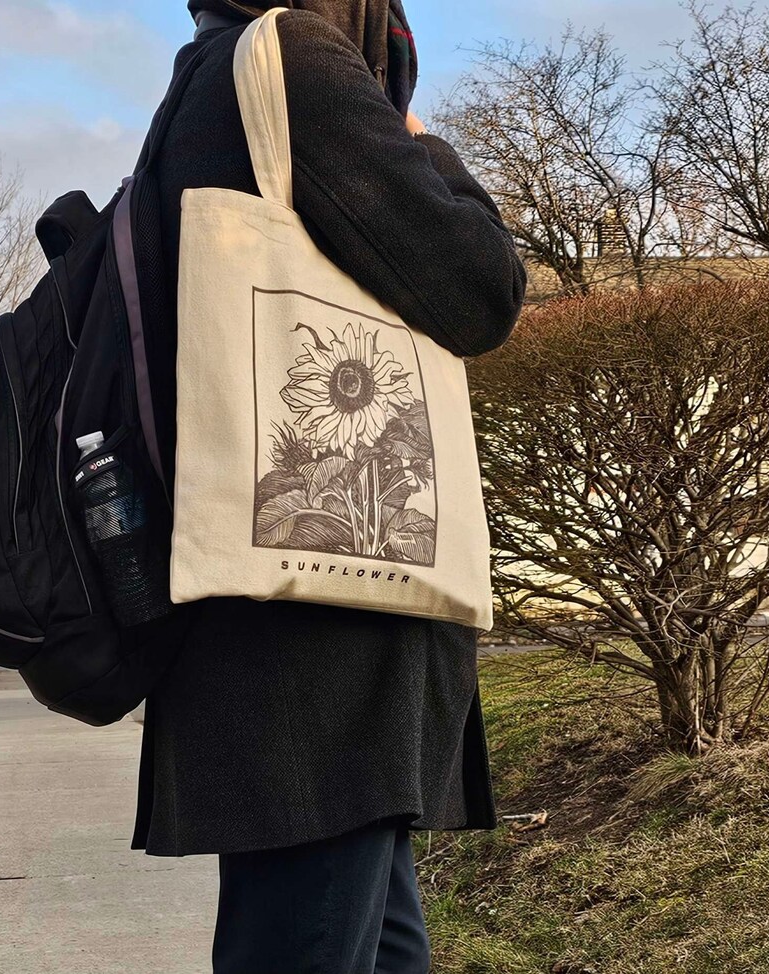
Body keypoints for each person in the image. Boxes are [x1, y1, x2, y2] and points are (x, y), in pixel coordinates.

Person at [131, 2, 527, 971]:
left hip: (298, 658)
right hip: (322, 672)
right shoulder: (294, 62)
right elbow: (482, 288)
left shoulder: (209, 73)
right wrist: (420, 144)